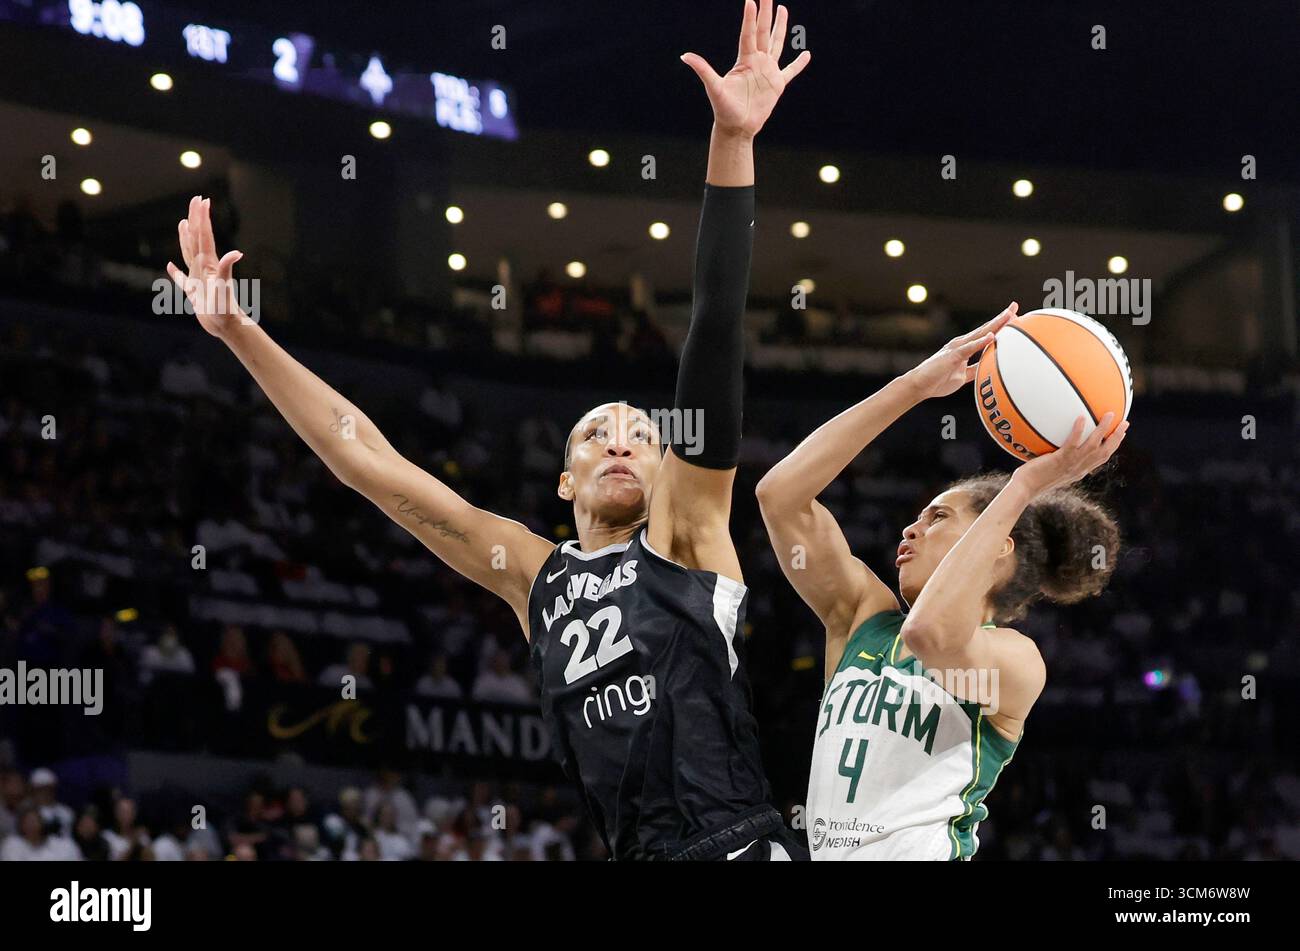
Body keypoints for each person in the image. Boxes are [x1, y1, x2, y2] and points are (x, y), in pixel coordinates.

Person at [164, 0, 810, 861]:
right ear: (563, 481)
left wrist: (733, 146)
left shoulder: (690, 536)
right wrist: (241, 334)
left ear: (666, 471)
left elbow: (715, 328)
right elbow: (370, 462)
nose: (620, 441)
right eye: (595, 435)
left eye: (640, 435)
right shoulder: (530, 575)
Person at [756, 304, 1129, 859]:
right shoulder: (860, 619)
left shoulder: (1013, 662)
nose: (911, 527)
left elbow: (932, 637)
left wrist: (1023, 488)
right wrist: (912, 387)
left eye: (937, 517)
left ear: (996, 546)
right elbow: (780, 496)